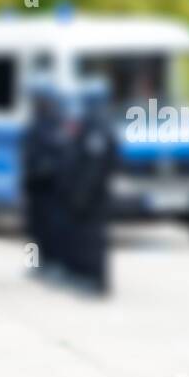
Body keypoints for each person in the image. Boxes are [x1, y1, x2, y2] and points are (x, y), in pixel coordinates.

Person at [57, 80, 118, 296]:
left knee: (93, 239)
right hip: (84, 196)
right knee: (83, 237)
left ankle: (96, 280)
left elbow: (94, 169)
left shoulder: (98, 129)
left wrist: (81, 195)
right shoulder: (91, 125)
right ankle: (84, 275)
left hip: (93, 197)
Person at [21, 77, 65, 278]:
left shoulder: (55, 124)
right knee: (33, 229)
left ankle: (53, 264)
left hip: (49, 188)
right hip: (33, 187)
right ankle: (34, 263)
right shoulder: (35, 123)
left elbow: (59, 155)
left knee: (51, 228)